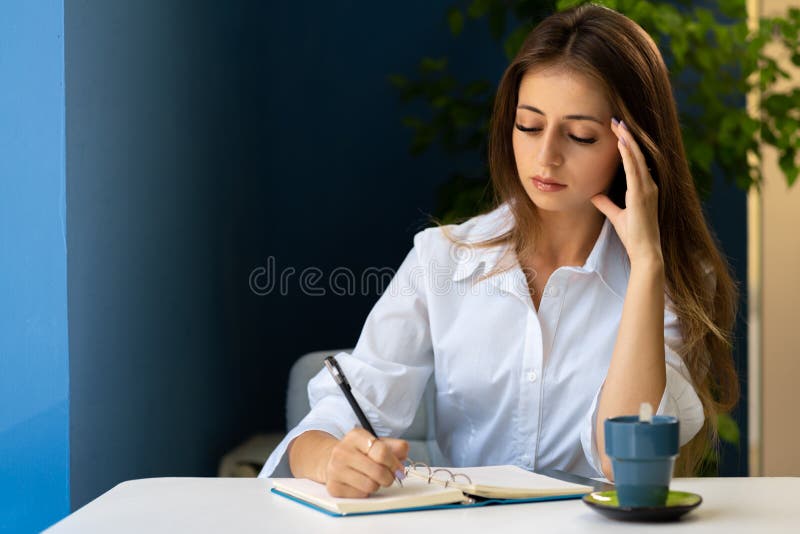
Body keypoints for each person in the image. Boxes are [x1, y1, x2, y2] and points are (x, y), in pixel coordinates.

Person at [259, 4, 739, 498]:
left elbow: (625, 463)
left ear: (632, 145)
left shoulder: (670, 276)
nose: (546, 155)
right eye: (529, 126)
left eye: (580, 135)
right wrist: (330, 458)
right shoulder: (442, 259)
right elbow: (335, 418)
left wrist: (645, 265)